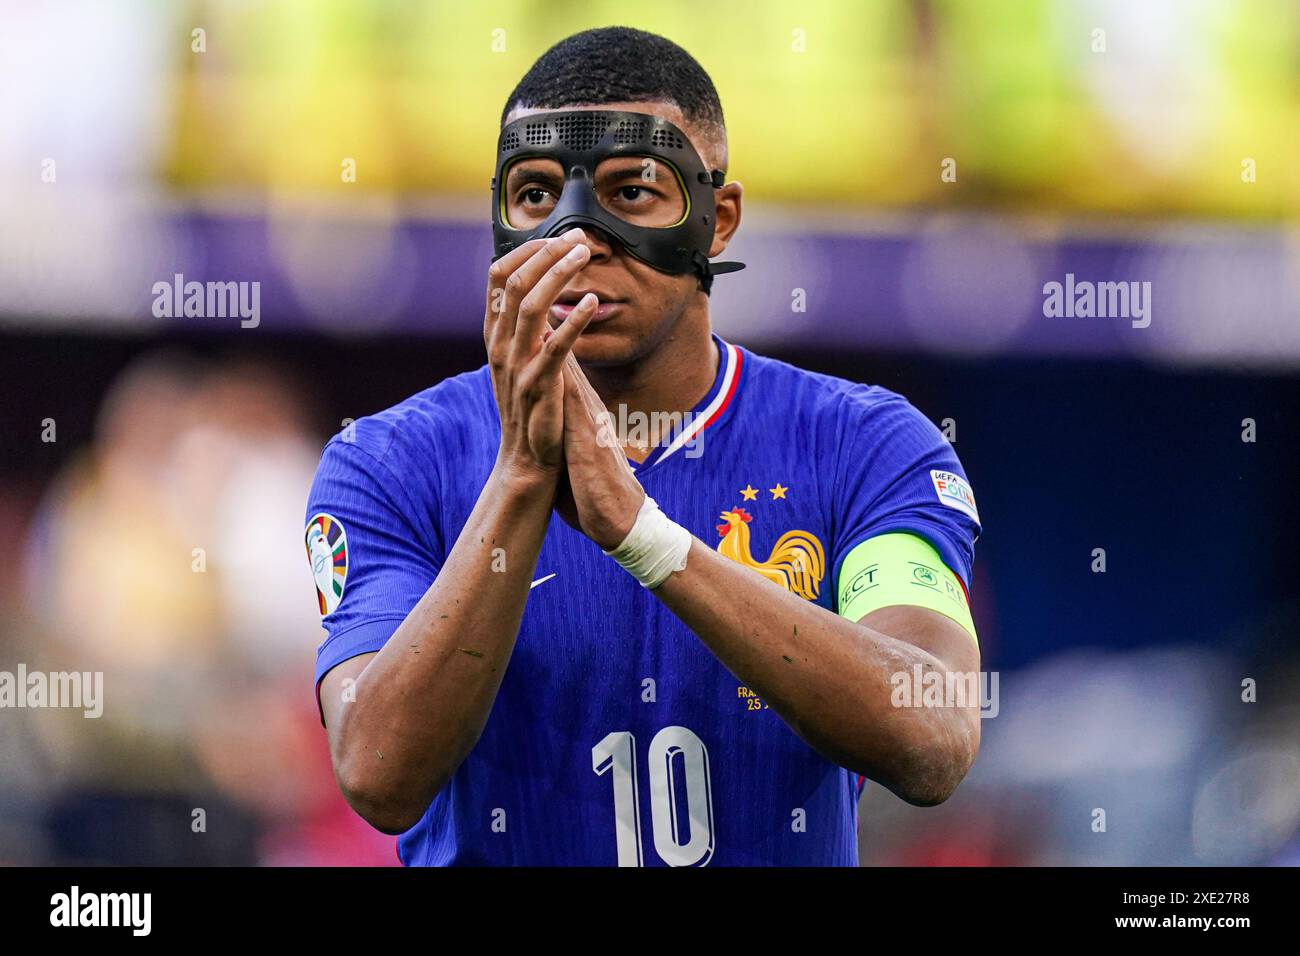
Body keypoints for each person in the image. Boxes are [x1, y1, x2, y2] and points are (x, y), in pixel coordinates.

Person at [305, 26, 983, 866]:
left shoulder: (867, 445)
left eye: (631, 192)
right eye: (535, 196)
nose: (576, 236)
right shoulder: (389, 463)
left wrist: (646, 538)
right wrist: (522, 477)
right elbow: (377, 773)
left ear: (717, 220)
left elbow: (937, 736)